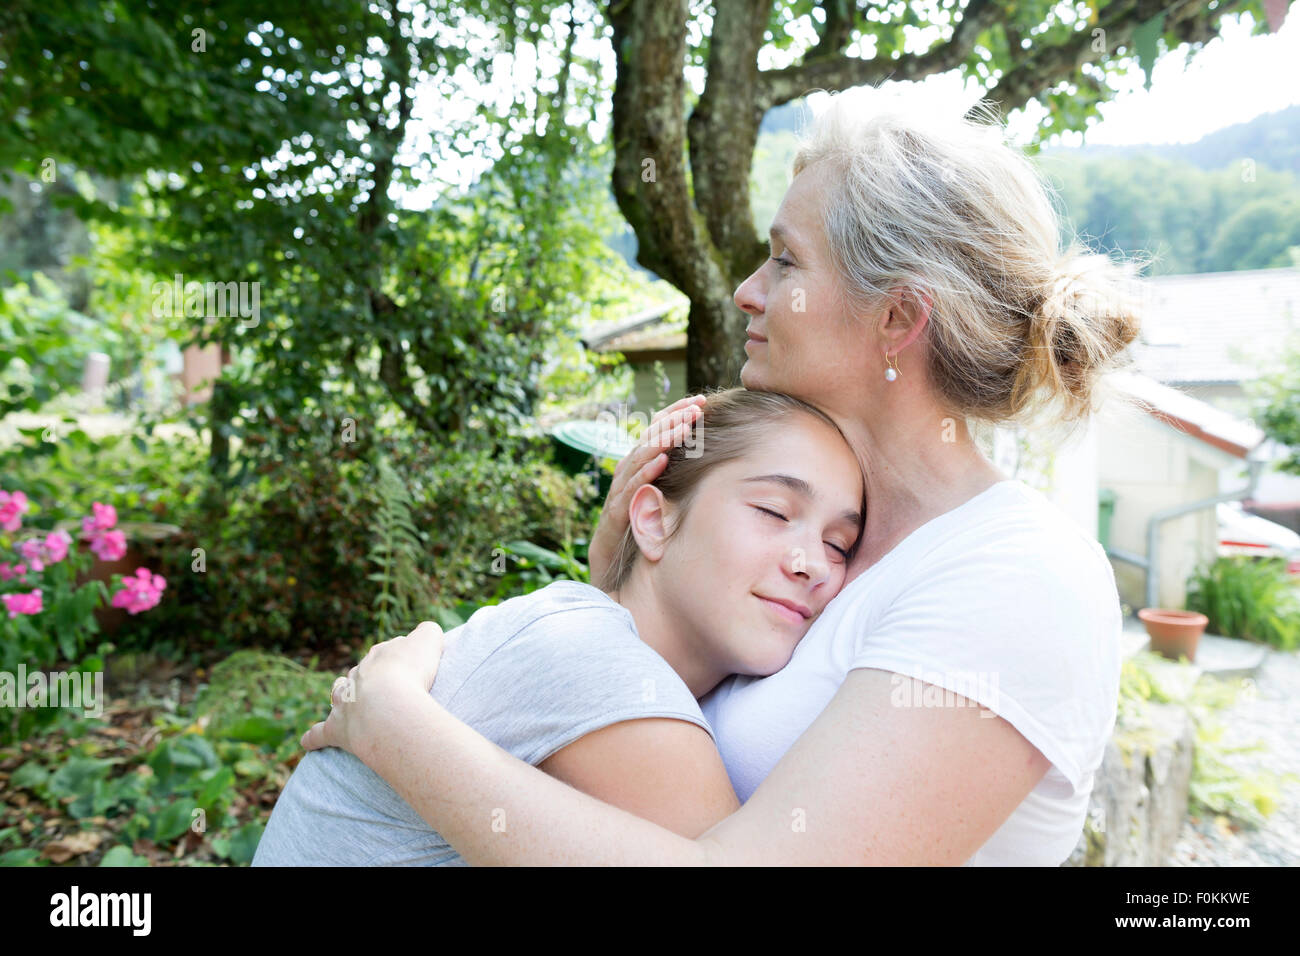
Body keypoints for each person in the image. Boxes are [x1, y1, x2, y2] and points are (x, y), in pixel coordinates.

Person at [301, 83, 1144, 866]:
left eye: (785, 261)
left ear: (895, 318)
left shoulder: (1018, 579)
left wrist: (394, 724)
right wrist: (623, 594)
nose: (747, 291)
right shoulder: (814, 559)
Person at [253, 389, 865, 865]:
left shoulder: (583, 631)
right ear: (651, 520)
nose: (810, 564)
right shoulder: (596, 665)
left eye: (839, 544)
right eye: (773, 511)